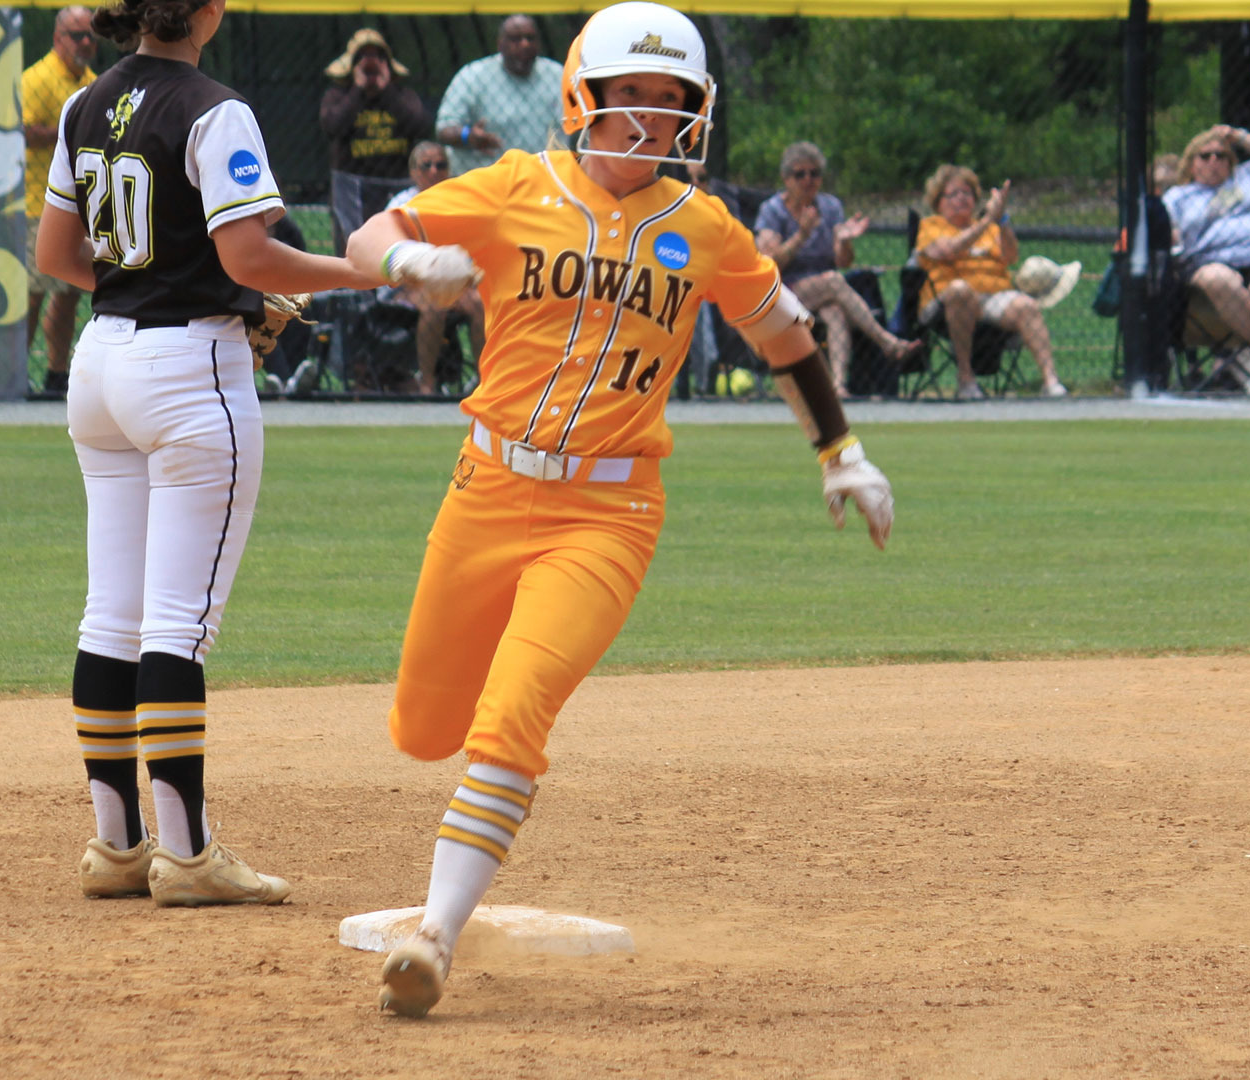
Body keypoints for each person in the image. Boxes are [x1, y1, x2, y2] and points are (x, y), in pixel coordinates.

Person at [344, 0, 893, 1018]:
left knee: (514, 717)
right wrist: (405, 259)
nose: (648, 117)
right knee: (425, 728)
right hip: (487, 490)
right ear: (579, 99)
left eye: (670, 100)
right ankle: (456, 821)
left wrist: (842, 452)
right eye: (628, 95)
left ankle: (435, 936)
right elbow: (374, 227)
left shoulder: (704, 226)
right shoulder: (515, 186)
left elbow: (784, 336)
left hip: (608, 514)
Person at [35, 0, 370, 908]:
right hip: (187, 370)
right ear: (209, 13)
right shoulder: (212, 109)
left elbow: (57, 253)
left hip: (101, 362)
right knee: (176, 624)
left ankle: (117, 845)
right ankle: (186, 856)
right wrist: (354, 273)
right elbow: (252, 255)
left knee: (113, 614)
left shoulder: (81, 104)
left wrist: (167, 282)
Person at [754, 141, 924, 395]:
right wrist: (801, 235)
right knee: (833, 281)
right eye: (800, 174)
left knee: (835, 311)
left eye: (815, 174)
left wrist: (844, 242)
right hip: (781, 292)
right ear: (786, 178)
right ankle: (886, 341)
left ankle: (837, 385)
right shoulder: (773, 210)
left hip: (822, 289)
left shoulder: (830, 207)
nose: (808, 180)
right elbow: (769, 264)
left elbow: (844, 262)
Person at [1162, 125, 1250, 395]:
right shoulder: (1178, 197)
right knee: (1218, 279)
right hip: (1211, 259)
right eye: (1205, 156)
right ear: (1191, 164)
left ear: (1230, 162)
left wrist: (1239, 137)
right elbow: (1171, 236)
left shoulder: (1248, 179)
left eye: (1221, 155)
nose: (1214, 161)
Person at [915, 165, 1069, 399]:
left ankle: (1050, 380)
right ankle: (965, 380)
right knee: (960, 290)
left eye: (967, 193)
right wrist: (987, 220)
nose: (961, 199)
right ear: (938, 201)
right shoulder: (930, 226)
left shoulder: (988, 228)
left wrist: (1002, 220)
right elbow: (949, 250)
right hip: (947, 301)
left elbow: (1010, 256)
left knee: (1025, 305)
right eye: (953, 194)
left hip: (994, 297)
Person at [22, 7, 98, 401]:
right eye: (76, 35)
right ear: (58, 38)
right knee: (33, 292)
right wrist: (71, 130)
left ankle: (56, 372)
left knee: (68, 293)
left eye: (91, 35)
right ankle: (16, 370)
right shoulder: (37, 78)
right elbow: (25, 132)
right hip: (37, 201)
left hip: (80, 206)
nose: (85, 43)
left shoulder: (92, 83)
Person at [383, 141, 486, 395]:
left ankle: (485, 381)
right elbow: (390, 254)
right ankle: (427, 383)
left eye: (440, 165)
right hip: (406, 283)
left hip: (453, 281)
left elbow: (472, 252)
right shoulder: (401, 205)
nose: (433, 171)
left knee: (478, 303)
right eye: (425, 165)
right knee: (435, 305)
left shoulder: (459, 202)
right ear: (413, 172)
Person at [320, 29, 433, 252]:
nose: (370, 64)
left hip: (397, 185)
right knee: (355, 247)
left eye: (379, 58)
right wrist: (358, 90)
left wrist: (386, 91)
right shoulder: (339, 95)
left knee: (399, 244)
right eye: (362, 58)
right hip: (352, 188)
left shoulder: (402, 95)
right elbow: (332, 127)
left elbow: (421, 127)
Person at [435, 14, 564, 175]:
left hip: (546, 179)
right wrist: (468, 135)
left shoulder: (557, 75)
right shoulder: (473, 76)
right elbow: (443, 129)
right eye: (515, 39)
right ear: (500, 44)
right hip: (485, 182)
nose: (524, 44)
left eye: (530, 38)